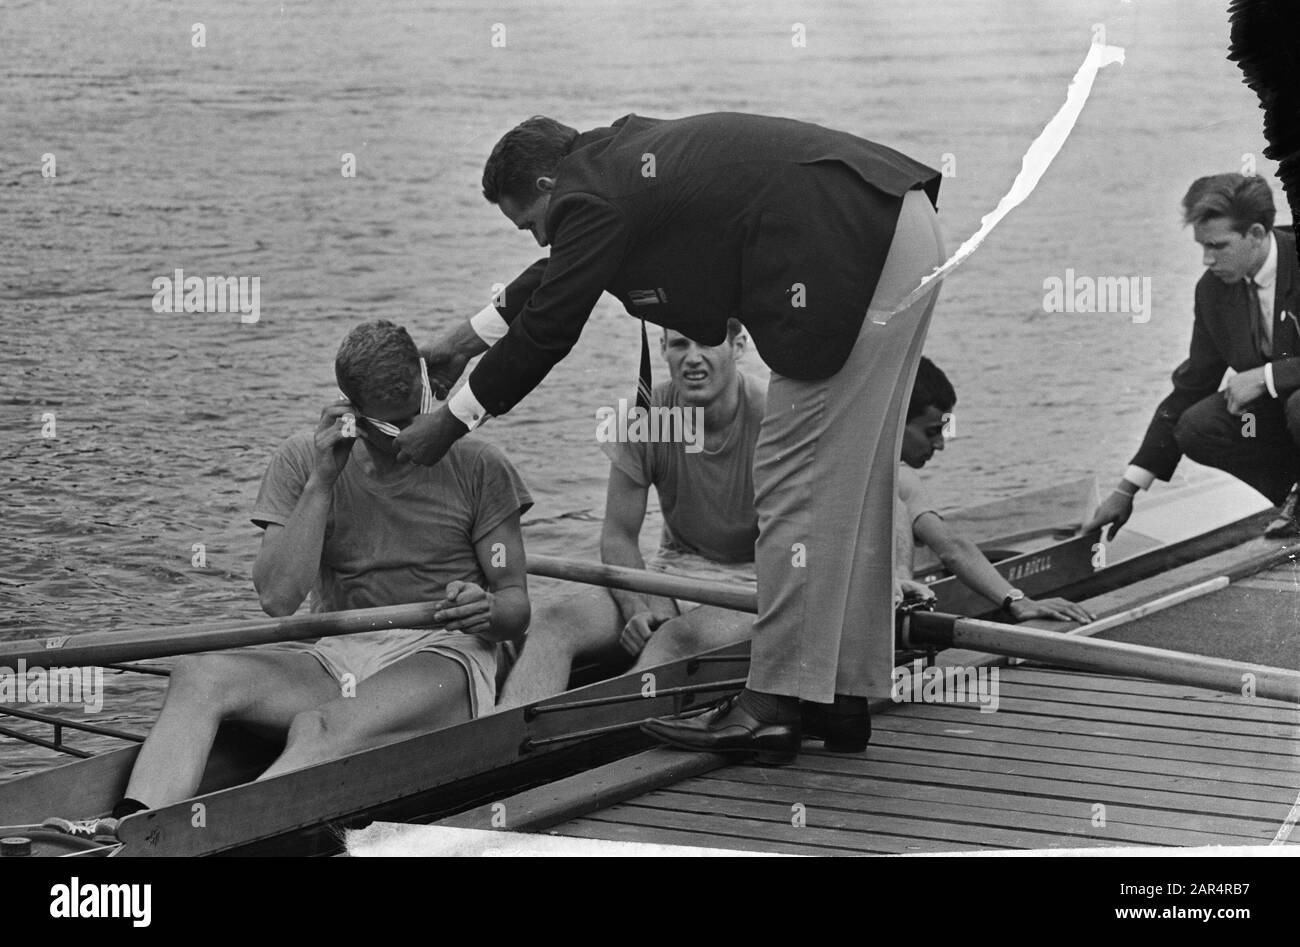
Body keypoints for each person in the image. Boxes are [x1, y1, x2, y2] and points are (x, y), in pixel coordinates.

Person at [397, 112, 946, 765]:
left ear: (548, 182)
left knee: (790, 479)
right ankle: (839, 694)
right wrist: (462, 341)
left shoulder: (593, 195)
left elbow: (551, 324)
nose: (541, 239)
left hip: (857, 245)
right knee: (852, 481)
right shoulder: (616, 169)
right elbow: (561, 276)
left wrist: (451, 420)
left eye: (532, 224)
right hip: (896, 225)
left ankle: (770, 705)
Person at [45, 320, 532, 840]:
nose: (411, 439)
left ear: (426, 384)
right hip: (339, 656)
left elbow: (516, 607)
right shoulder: (305, 460)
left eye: (419, 418)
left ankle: (206, 842)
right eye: (391, 429)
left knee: (317, 727)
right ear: (351, 412)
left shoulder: (479, 464)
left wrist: (487, 607)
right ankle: (126, 827)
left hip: (443, 653)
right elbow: (278, 600)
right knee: (199, 676)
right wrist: (323, 481)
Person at [640, 357, 1095, 750]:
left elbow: (952, 548)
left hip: (853, 612)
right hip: (866, 622)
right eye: (932, 432)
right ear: (896, 421)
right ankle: (844, 699)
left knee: (681, 635)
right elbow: (951, 549)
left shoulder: (846, 464)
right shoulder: (892, 477)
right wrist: (1013, 600)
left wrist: (1015, 601)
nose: (939, 445)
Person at [497, 320, 761, 708]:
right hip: (673, 573)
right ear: (663, 349)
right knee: (555, 619)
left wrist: (668, 622)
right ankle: (505, 744)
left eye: (707, 343)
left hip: (754, 579)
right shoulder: (648, 417)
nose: (692, 358)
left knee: (673, 638)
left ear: (738, 346)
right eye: (680, 344)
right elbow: (619, 536)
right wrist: (639, 606)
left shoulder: (772, 418)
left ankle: (590, 736)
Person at [1083, 173, 1300, 541]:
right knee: (1197, 427)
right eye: (1202, 246)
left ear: (1257, 235)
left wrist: (1266, 377)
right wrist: (1127, 489)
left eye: (1218, 246)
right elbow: (1193, 383)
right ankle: (1292, 502)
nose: (1207, 259)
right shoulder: (1213, 290)